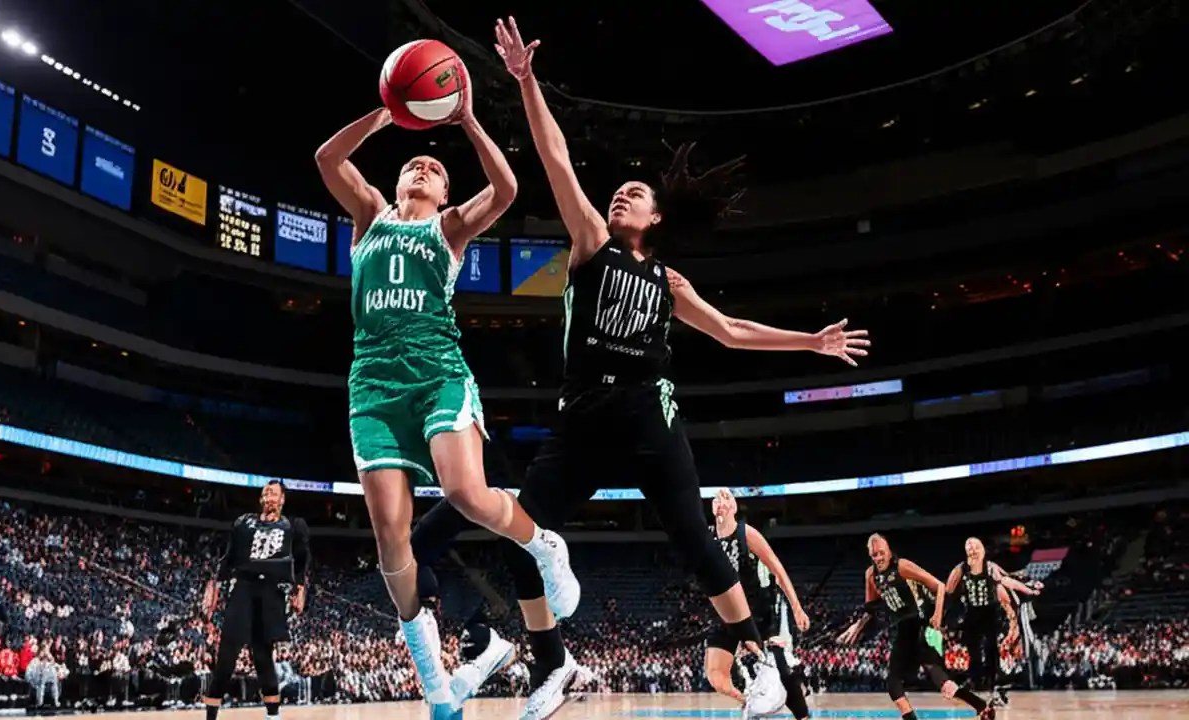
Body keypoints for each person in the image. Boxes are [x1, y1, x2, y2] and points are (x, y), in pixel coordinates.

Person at [407, 17, 872, 720]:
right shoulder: (593, 243)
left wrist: (811, 343)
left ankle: (758, 664)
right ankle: (552, 664)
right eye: (619, 190)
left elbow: (731, 331)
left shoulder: (670, 282)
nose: (622, 194)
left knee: (692, 532)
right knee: (519, 540)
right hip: (584, 414)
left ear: (655, 219)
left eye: (635, 192)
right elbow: (556, 159)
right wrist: (527, 83)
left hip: (647, 408)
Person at [314, 89, 578, 717]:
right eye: (415, 164)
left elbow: (507, 190)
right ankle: (432, 670)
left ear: (443, 191)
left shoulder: (450, 225)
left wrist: (466, 120)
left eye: (436, 168)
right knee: (389, 541)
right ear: (400, 180)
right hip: (372, 385)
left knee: (464, 491)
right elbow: (327, 158)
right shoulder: (370, 214)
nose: (423, 167)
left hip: (436, 370)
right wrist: (383, 112)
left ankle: (545, 546)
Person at [838, 534, 994, 720]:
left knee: (905, 681)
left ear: (888, 551)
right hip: (903, 627)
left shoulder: (902, 566)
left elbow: (939, 586)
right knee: (934, 682)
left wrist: (937, 615)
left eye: (881, 553)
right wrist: (855, 627)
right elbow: (870, 608)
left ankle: (980, 705)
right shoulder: (871, 575)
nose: (878, 558)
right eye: (874, 555)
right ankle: (981, 706)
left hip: (920, 624)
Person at [201, 481, 309, 720]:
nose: (269, 496)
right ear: (261, 499)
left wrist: (300, 589)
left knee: (263, 658)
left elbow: (301, 561)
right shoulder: (244, 523)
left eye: (274, 493)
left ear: (282, 500)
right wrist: (214, 589)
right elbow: (228, 559)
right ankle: (210, 716)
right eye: (265, 493)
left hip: (272, 593)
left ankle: (273, 715)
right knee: (226, 658)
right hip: (243, 589)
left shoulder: (293, 526)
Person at [703, 490, 811, 718]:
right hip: (723, 613)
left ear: (734, 507)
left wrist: (796, 607)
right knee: (715, 676)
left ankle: (803, 715)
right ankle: (749, 700)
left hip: (754, 612)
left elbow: (778, 571)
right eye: (716, 499)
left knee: (783, 670)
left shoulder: (746, 533)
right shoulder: (707, 538)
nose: (720, 502)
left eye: (726, 498)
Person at [945, 537, 1033, 705]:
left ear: (982, 550)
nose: (972, 550)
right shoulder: (961, 568)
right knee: (973, 651)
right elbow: (948, 588)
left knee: (991, 649)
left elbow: (1005, 580)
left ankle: (994, 688)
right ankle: (976, 685)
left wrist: (1025, 588)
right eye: (969, 547)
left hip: (990, 611)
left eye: (975, 547)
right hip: (972, 611)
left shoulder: (990, 567)